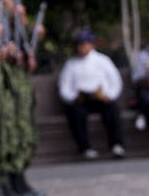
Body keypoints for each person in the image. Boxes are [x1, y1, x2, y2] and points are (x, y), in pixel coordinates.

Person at [58, 30, 125, 159]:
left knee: (112, 110)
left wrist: (109, 95)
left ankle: (116, 145)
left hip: (101, 98)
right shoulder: (71, 64)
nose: (81, 47)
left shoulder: (103, 60)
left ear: (91, 45)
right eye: (79, 44)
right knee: (75, 113)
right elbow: (64, 87)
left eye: (84, 44)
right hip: (81, 101)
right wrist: (73, 97)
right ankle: (85, 148)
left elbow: (115, 81)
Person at [131, 44, 149, 131]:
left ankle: (141, 114)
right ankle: (141, 114)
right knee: (145, 96)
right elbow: (136, 79)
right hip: (145, 88)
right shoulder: (142, 56)